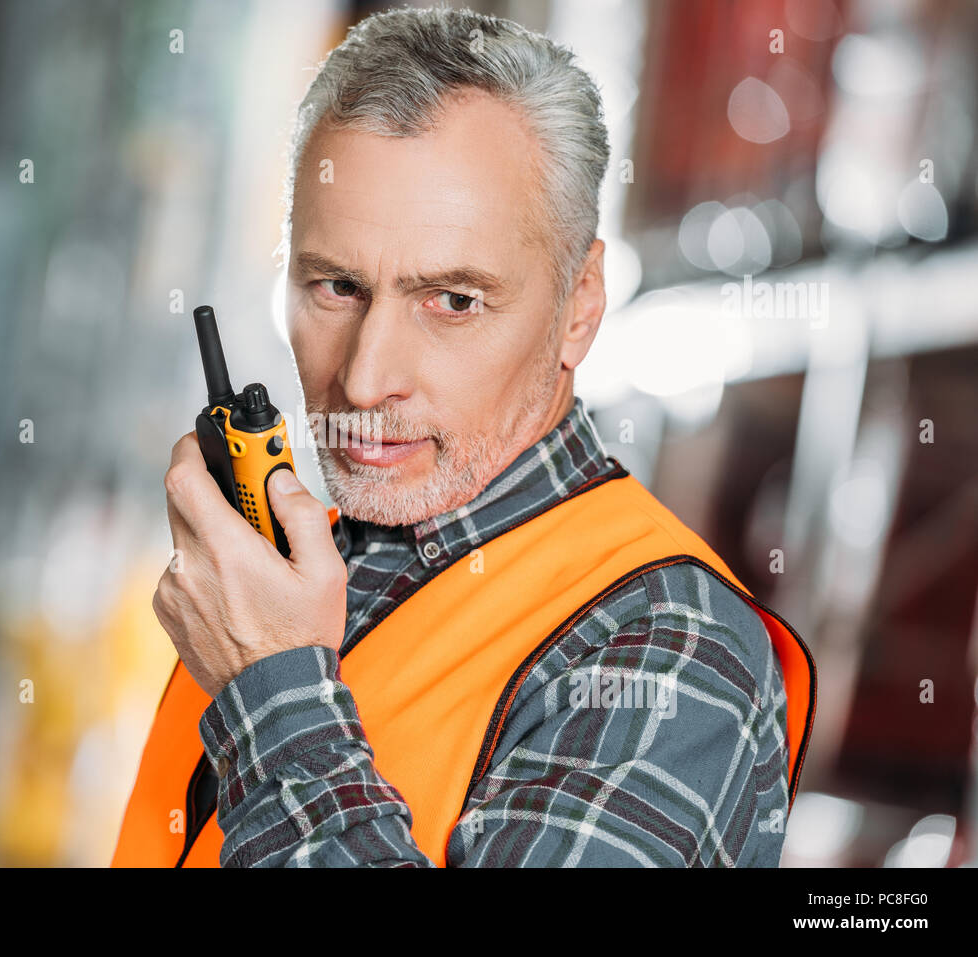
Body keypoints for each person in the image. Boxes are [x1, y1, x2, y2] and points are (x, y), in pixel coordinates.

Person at [113, 5, 815, 868]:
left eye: (453, 301)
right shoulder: (289, 578)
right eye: (336, 285)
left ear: (579, 306)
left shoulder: (666, 653)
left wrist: (274, 692)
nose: (367, 380)